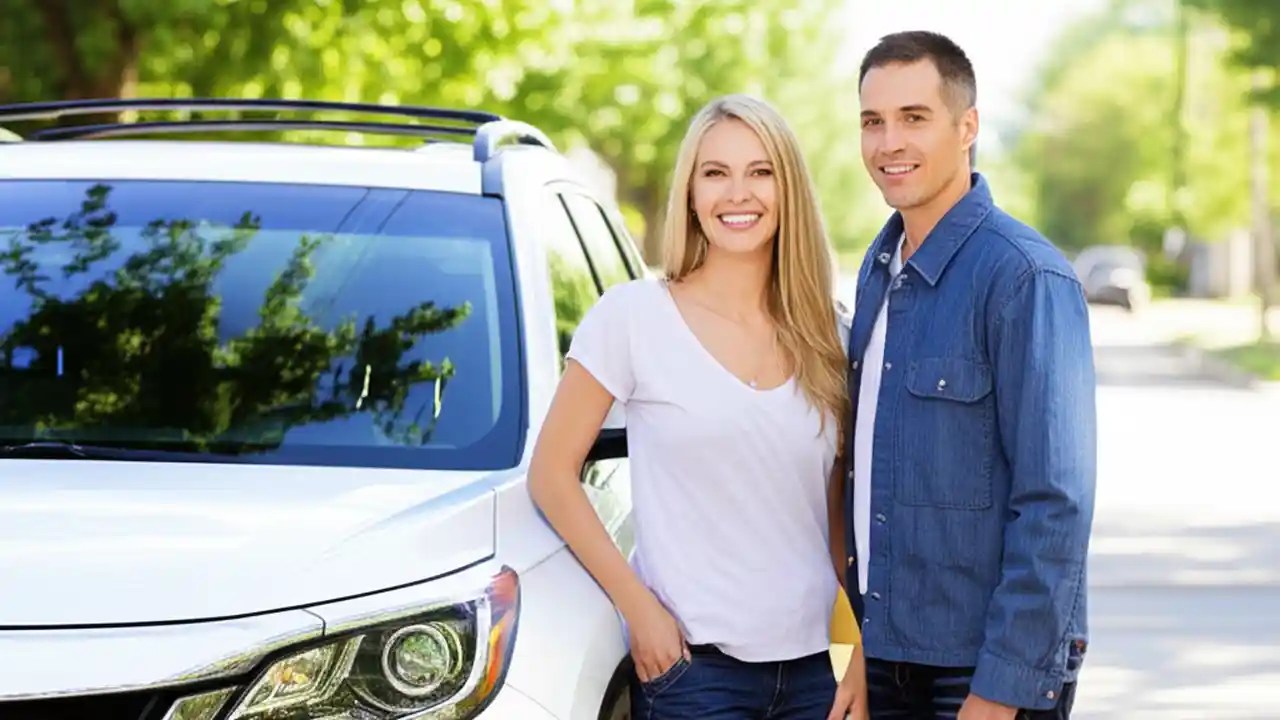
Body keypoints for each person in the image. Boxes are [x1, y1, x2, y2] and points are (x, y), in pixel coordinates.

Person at [528, 94, 867, 720]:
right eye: (716, 173)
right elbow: (551, 475)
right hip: (694, 675)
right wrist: (639, 611)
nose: (738, 194)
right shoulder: (632, 318)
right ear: (690, 193)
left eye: (760, 172)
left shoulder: (831, 336)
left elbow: (838, 519)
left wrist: (859, 653)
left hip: (819, 674)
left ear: (788, 189)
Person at [836, 31, 1097, 720]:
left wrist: (997, 693)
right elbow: (879, 482)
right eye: (873, 121)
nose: (889, 142)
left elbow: (1056, 504)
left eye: (913, 118)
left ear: (967, 127)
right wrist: (866, 651)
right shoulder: (876, 272)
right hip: (891, 660)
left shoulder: (1024, 277)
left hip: (981, 672)